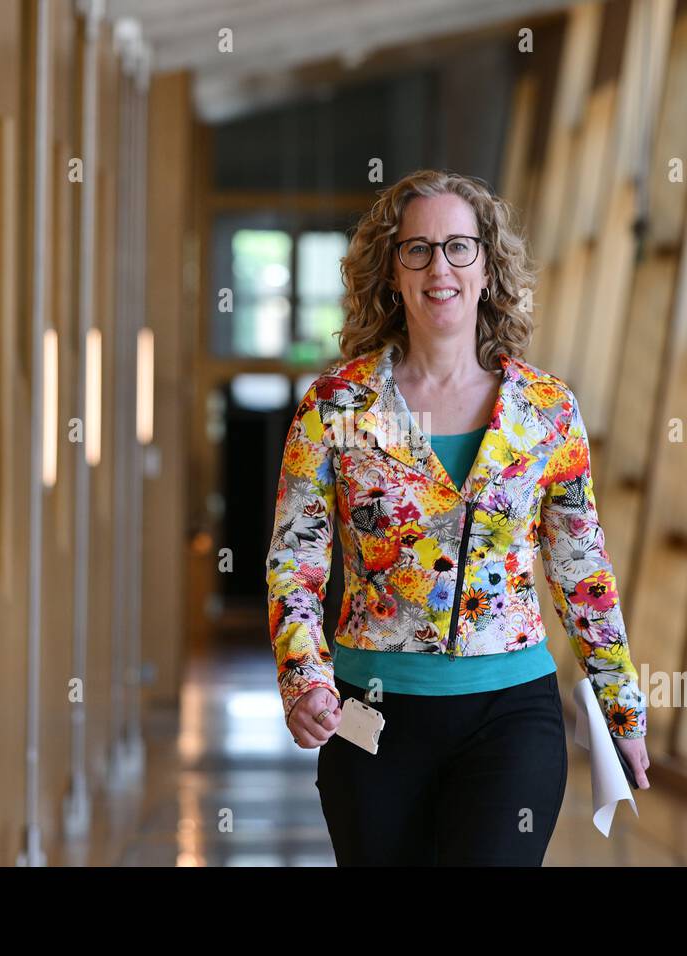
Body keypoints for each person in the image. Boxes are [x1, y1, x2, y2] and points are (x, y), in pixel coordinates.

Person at [265, 168, 649, 866]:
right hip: (369, 717)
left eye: (458, 247)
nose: (439, 265)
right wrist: (305, 679)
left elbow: (580, 566)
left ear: (487, 268)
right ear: (392, 272)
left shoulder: (546, 412)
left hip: (512, 717)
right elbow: (296, 559)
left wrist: (621, 709)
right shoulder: (336, 406)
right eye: (417, 249)